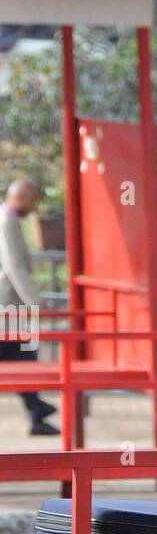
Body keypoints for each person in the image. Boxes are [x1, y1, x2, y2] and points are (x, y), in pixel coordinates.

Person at [0, 177, 59, 436]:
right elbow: (14, 266)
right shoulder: (7, 221)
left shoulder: (10, 220)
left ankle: (36, 409)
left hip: (12, 305)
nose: (34, 207)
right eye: (33, 200)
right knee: (23, 353)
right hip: (9, 305)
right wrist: (36, 301)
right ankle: (36, 409)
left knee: (22, 353)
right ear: (21, 196)